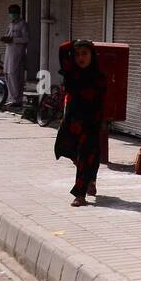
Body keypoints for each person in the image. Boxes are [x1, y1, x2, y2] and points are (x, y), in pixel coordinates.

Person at [54, 40, 109, 206]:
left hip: (91, 123)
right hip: (72, 122)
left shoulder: (99, 77)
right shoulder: (71, 73)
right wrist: (76, 43)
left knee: (86, 154)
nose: (81, 58)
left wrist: (103, 122)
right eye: (77, 54)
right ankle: (91, 178)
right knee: (70, 150)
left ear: (92, 55)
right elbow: (63, 49)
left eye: (85, 53)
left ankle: (80, 194)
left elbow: (101, 102)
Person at [0, 4, 28, 110]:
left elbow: (26, 39)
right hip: (9, 52)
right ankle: (12, 99)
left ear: (18, 12)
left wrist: (13, 40)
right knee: (7, 74)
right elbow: (8, 36)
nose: (11, 14)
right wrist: (5, 38)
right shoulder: (10, 25)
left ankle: (18, 100)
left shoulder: (23, 24)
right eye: (10, 12)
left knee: (15, 75)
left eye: (13, 11)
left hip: (17, 54)